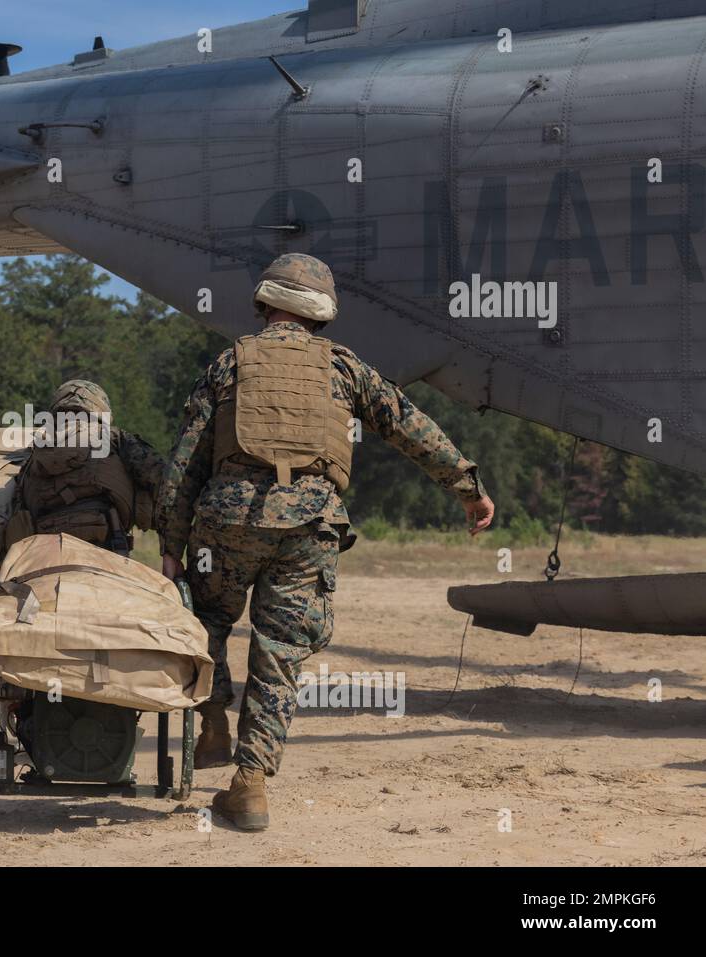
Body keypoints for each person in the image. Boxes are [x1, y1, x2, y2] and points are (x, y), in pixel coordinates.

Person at [155, 254, 495, 831]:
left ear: (265, 304)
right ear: (322, 313)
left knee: (206, 622)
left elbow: (184, 462)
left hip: (226, 521)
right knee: (281, 651)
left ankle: (211, 721)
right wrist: (467, 486)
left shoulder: (228, 363)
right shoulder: (344, 367)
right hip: (309, 525)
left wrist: (170, 543)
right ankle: (251, 783)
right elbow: (408, 425)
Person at [7, 379, 163, 555]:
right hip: (109, 542)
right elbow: (159, 479)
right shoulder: (115, 438)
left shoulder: (37, 452)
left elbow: (19, 513)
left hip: (44, 550)